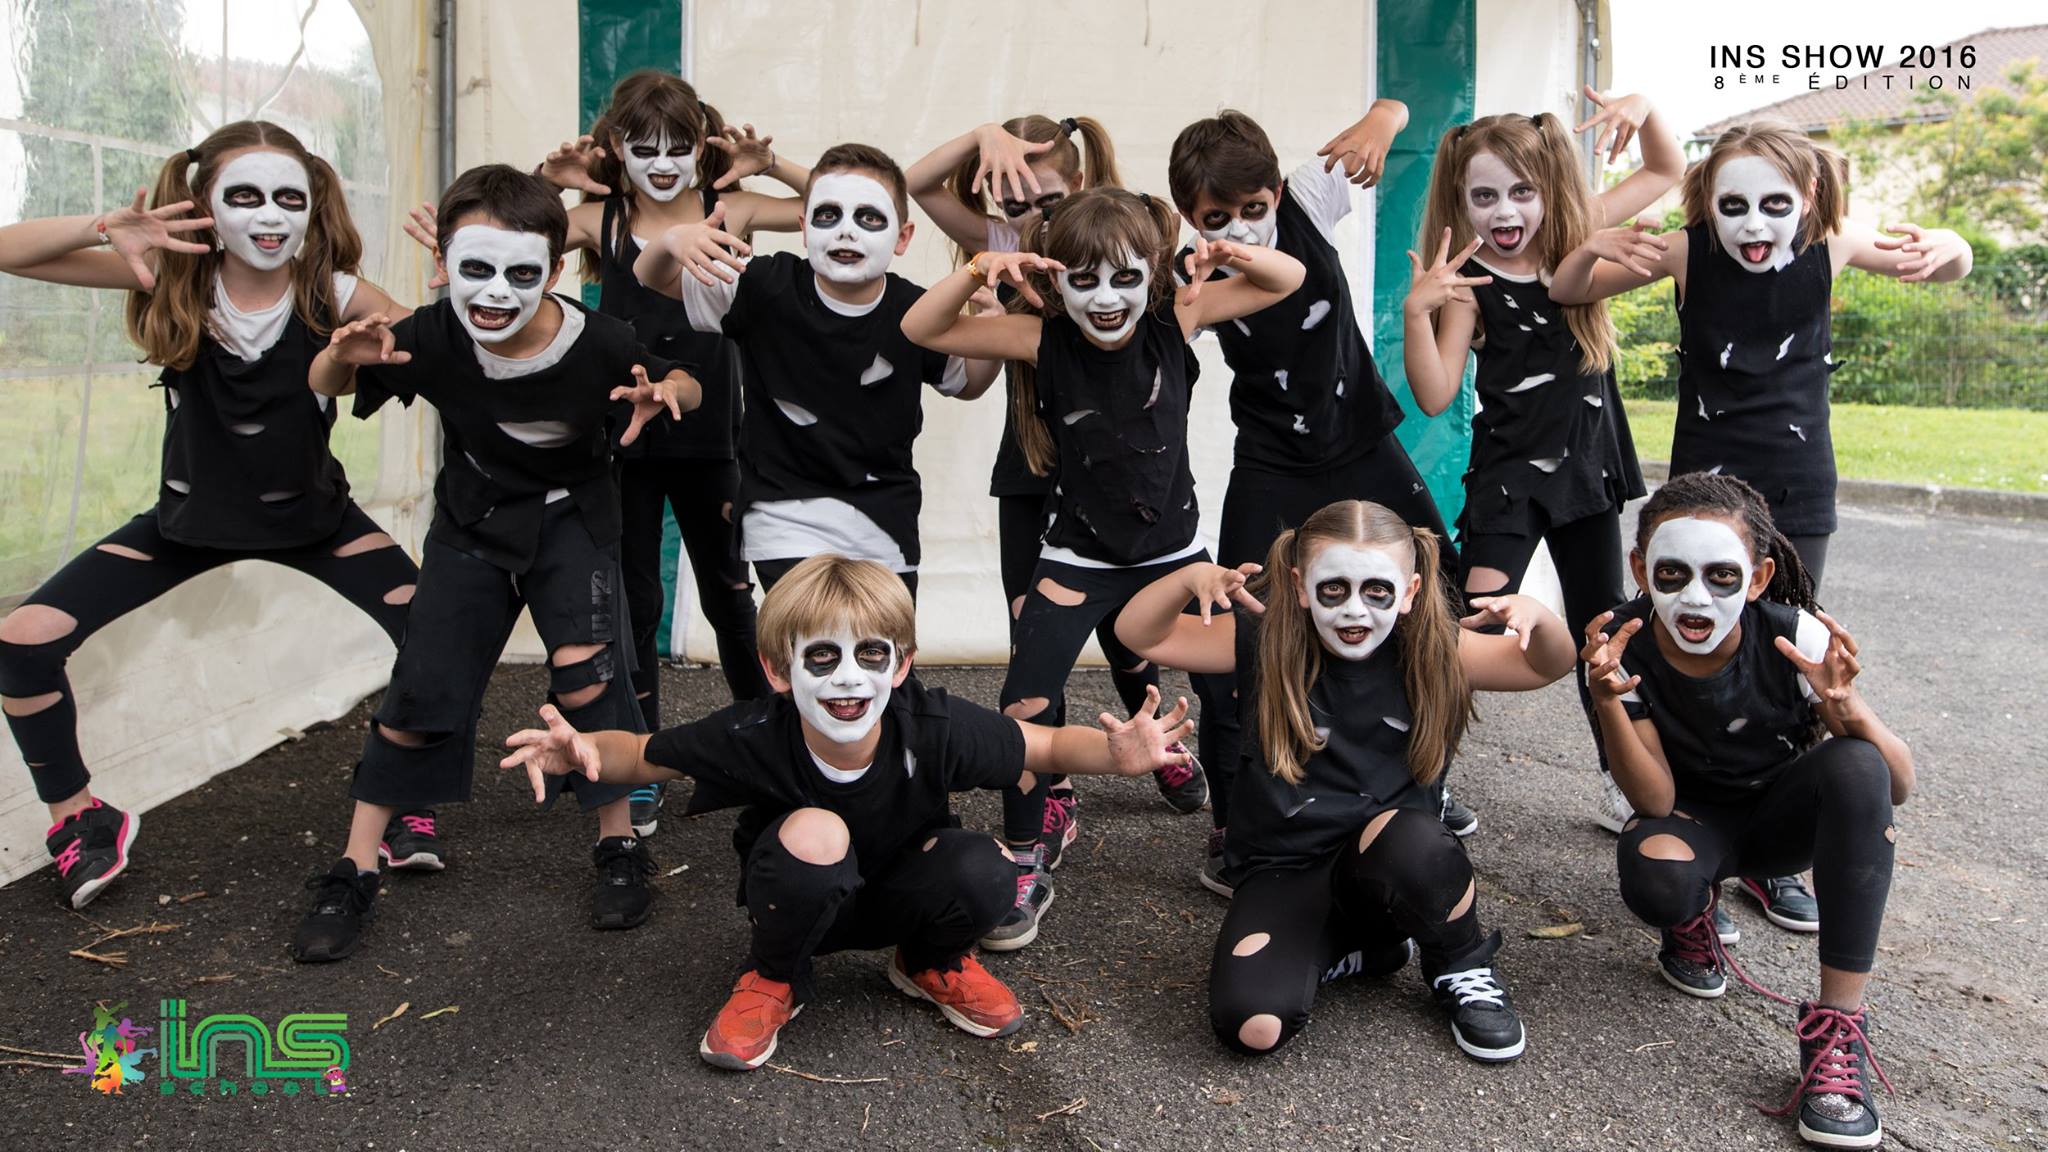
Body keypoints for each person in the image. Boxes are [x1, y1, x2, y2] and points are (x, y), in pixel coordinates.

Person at [499, 554, 1199, 1071]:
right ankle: (774, 977)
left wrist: (1118, 754)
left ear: (901, 666)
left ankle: (927, 963)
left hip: (902, 894)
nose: (846, 677)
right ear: (779, 669)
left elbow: (1042, 742)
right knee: (816, 830)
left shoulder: (930, 723)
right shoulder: (754, 732)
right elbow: (646, 755)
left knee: (986, 868)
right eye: (823, 656)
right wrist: (582, 747)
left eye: (870, 654)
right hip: (803, 899)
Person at [1550, 117, 1966, 931]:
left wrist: (1952, 244)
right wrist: (1594, 246)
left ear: (1807, 198)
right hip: (1705, 493)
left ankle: (1773, 850)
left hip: (1798, 487)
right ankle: (1656, 802)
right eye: (1733, 205)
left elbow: (1945, 265)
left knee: (1785, 648)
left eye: (1775, 204)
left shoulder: (1832, 244)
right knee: (1661, 639)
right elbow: (1566, 290)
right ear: (1708, 200)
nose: (1753, 225)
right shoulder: (1683, 251)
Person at [0, 120, 420, 909]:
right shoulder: (167, 276)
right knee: (24, 640)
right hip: (186, 526)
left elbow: (426, 339)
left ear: (312, 205)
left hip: (316, 521)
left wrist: (424, 315)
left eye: (288, 198)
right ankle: (78, 820)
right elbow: (7, 250)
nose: (269, 215)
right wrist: (102, 225)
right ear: (208, 207)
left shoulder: (331, 292)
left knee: (435, 631)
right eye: (247, 196)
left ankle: (401, 801)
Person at [295, 164, 694, 961]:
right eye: (475, 269)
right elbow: (324, 380)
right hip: (474, 523)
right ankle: (354, 864)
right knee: (424, 682)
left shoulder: (601, 342)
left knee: (591, 676)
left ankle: (619, 845)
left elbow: (675, 372)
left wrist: (668, 391)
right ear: (444, 265)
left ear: (552, 272)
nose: (496, 293)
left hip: (573, 521)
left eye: (522, 273)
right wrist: (344, 355)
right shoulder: (433, 334)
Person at [901, 186, 1305, 948]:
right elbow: (920, 326)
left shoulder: (1175, 316)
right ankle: (1023, 853)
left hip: (1178, 558)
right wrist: (979, 268)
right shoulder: (1038, 335)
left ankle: (1235, 836)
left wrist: (1231, 254)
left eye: (1124, 277)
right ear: (1057, 284)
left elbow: (1286, 281)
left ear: (1153, 273)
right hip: (1075, 556)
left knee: (1230, 689)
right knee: (1025, 698)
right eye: (1083, 281)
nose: (1106, 298)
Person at [1116, 498, 1574, 1061]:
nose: (1355, 611)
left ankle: (1460, 963)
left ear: (1408, 592)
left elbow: (1544, 666)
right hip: (1284, 867)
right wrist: (1187, 577)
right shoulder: (1266, 638)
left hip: (1390, 854)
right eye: (1334, 589)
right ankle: (1364, 949)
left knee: (1419, 842)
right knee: (1251, 1027)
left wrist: (1540, 618)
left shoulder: (1433, 646)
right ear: (1300, 585)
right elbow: (1139, 634)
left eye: (1377, 591)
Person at [1165, 100, 1479, 881]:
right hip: (1273, 461)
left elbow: (1397, 112)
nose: (1238, 225)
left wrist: (1380, 118)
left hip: (1362, 441)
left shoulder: (1308, 195)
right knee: (1237, 627)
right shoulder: (1193, 271)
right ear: (1188, 216)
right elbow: (1160, 335)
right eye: (1217, 216)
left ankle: (1415, 781)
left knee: (1442, 597)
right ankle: (1236, 822)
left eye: (1251, 208)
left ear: (1275, 188)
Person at [1584, 472, 1913, 1150]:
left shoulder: (1795, 638)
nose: (1696, 597)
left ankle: (1838, 1026)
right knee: (1661, 882)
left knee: (1858, 763)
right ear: (1641, 569)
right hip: (1688, 822)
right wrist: (1609, 699)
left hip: (1778, 823)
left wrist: (1845, 709)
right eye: (1672, 574)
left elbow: (1897, 782)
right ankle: (1695, 913)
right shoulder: (1617, 643)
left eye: (1722, 577)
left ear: (1759, 578)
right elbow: (1654, 801)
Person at [1402, 92, 1681, 843]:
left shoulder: (1577, 233)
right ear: (1461, 202)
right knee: (1463, 627)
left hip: (1586, 472)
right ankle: (1423, 778)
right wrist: (1416, 312)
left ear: (1547, 190)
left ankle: (1622, 778)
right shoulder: (1472, 285)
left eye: (1521, 191)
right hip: (1508, 480)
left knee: (1604, 631)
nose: (1505, 211)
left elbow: (1665, 168)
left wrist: (1644, 108)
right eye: (1484, 195)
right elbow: (1432, 395)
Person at [903, 113, 1186, 853]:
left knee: (1130, 634)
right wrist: (978, 136)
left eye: (1048, 201)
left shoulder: (1101, 245)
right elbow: (914, 186)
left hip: (1124, 478)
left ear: (1085, 190)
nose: (1031, 219)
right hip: (1036, 468)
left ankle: (1157, 739)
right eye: (1014, 205)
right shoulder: (1008, 250)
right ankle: (1050, 789)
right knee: (1038, 631)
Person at [633, 142, 997, 597]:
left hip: (883, 523)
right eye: (828, 216)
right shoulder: (763, 286)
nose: (847, 232)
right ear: (803, 228)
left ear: (902, 237)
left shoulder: (919, 311)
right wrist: (670, 241)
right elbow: (652, 277)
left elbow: (966, 383)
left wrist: (992, 329)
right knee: (810, 644)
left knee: (880, 659)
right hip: (783, 517)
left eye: (869, 218)